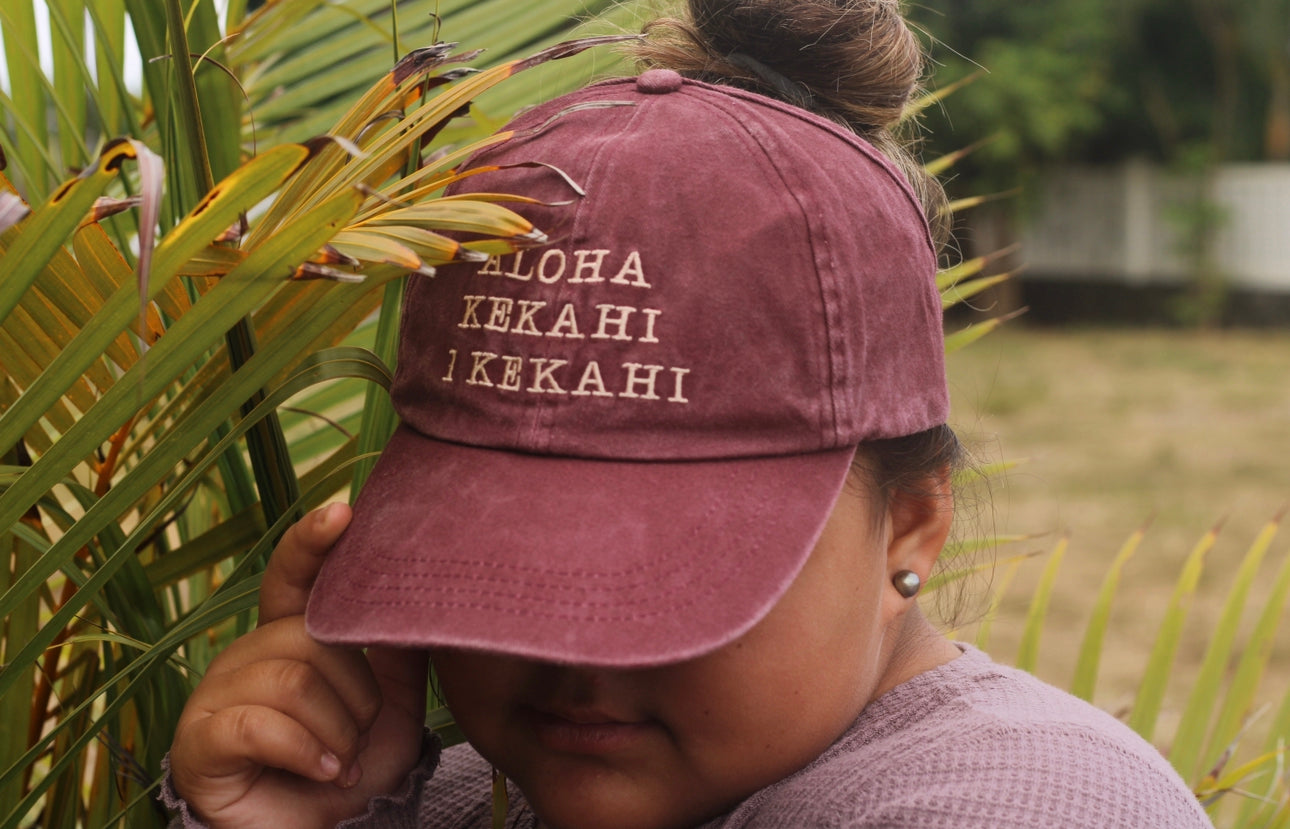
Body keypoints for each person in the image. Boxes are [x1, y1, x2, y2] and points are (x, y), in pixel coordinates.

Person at [163, 1, 1215, 827]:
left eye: (661, 580)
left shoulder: (1021, 804)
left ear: (909, 526)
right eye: (506, 563)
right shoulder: (440, 790)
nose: (579, 657)